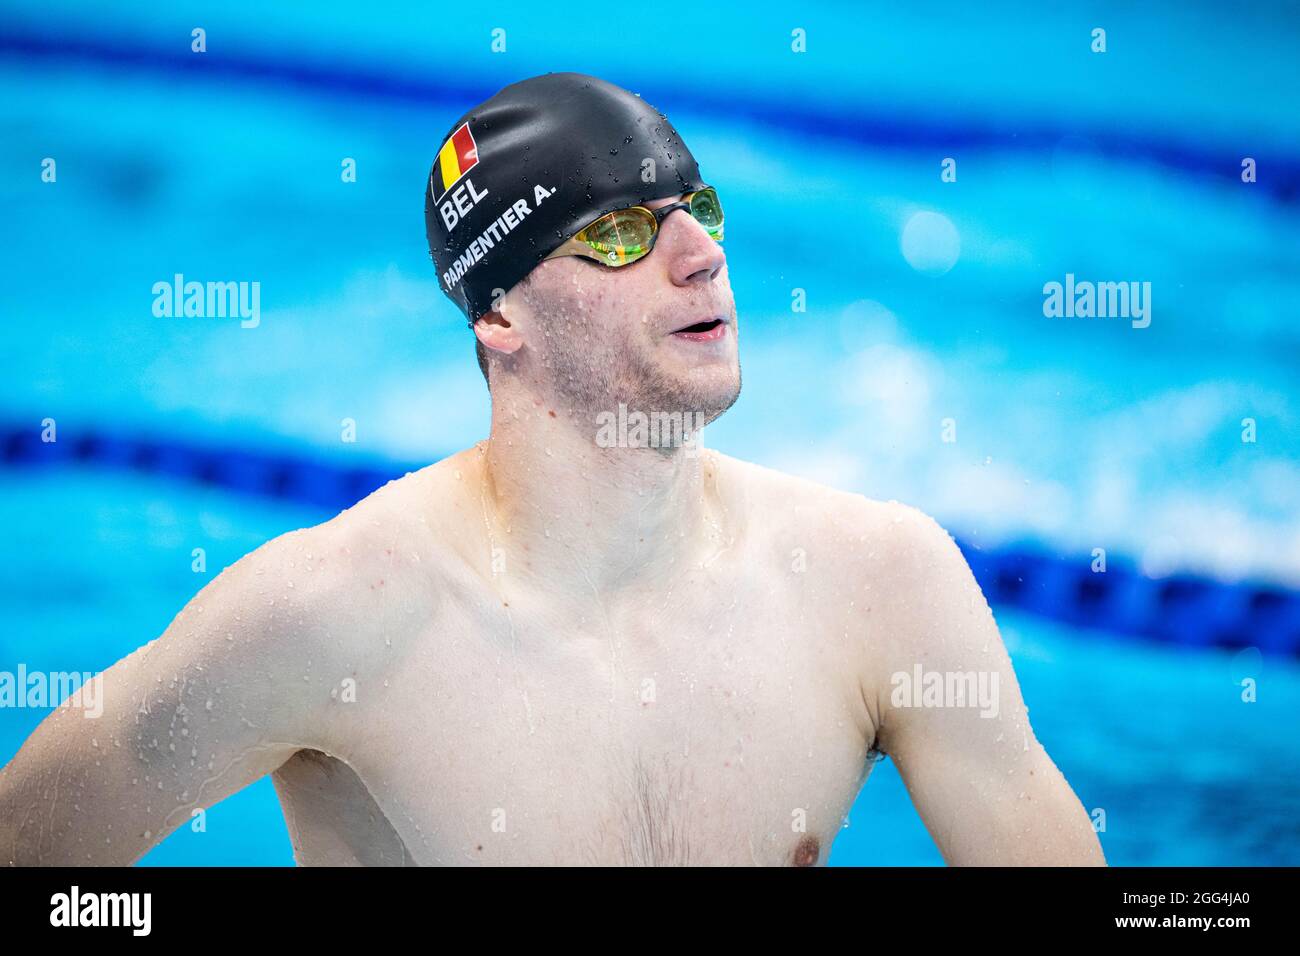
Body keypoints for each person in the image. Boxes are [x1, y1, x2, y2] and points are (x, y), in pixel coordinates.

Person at [0, 73, 1105, 866]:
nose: (699, 253)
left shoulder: (881, 581)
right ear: (500, 318)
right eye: (621, 233)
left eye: (696, 210)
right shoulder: (330, 617)